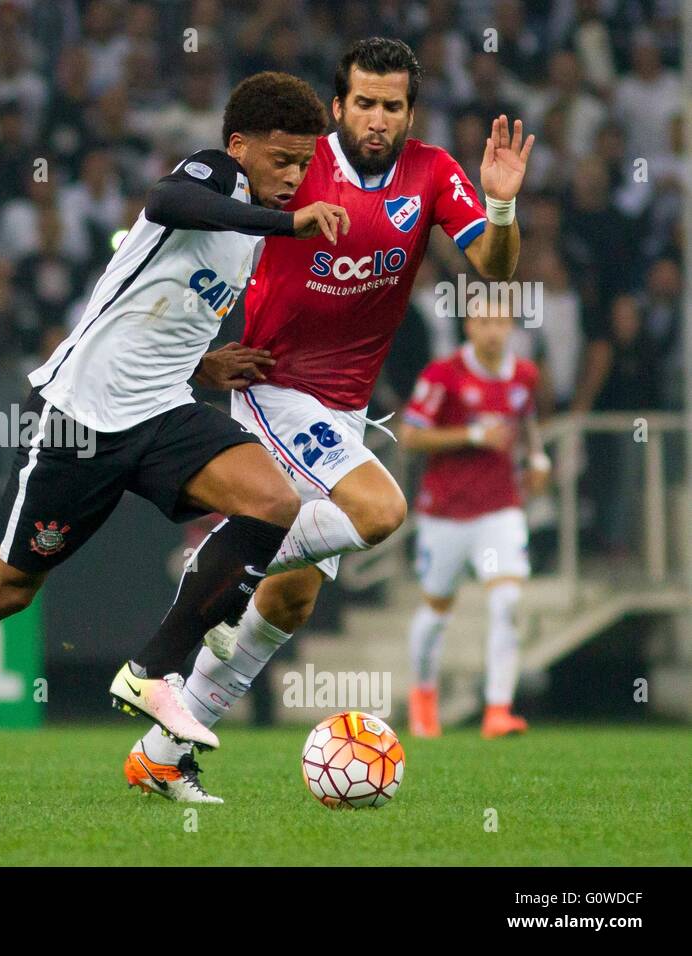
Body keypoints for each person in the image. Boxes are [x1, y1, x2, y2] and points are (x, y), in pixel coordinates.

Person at [0, 71, 353, 806]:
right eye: (281, 161)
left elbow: (146, 308)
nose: (294, 178)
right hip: (80, 422)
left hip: (163, 412)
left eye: (304, 165)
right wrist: (289, 222)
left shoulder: (250, 230)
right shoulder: (213, 175)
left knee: (274, 498)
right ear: (240, 146)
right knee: (3, 589)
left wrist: (204, 362)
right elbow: (166, 201)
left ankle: (156, 669)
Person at [127, 37, 535, 801]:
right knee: (380, 511)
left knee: (290, 600)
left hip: (346, 408)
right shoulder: (294, 165)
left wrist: (503, 203)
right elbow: (188, 238)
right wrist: (201, 357)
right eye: (365, 104)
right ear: (339, 105)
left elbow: (499, 270)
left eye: (393, 106)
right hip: (274, 387)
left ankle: (159, 754)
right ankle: (221, 565)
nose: (378, 120)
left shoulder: (434, 172)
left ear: (410, 113)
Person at [401, 304, 549, 739]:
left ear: (510, 326)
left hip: (500, 508)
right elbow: (410, 436)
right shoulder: (442, 375)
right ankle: (424, 697)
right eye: (484, 322)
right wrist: (472, 435)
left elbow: (528, 425)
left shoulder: (524, 375)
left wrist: (538, 458)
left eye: (500, 322)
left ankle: (498, 710)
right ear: (469, 326)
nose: (492, 332)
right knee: (436, 611)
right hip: (445, 512)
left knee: (507, 603)